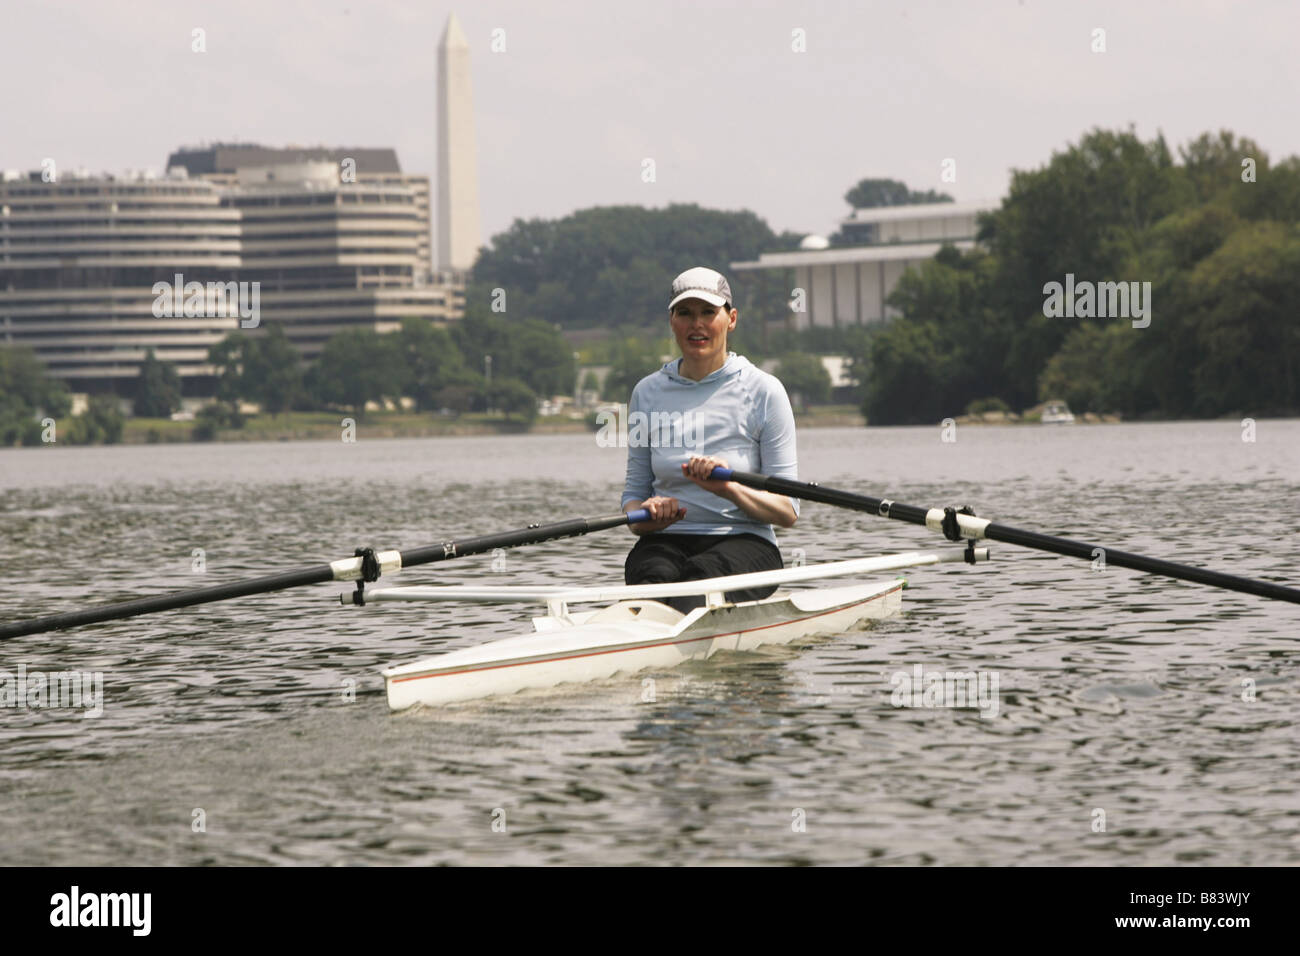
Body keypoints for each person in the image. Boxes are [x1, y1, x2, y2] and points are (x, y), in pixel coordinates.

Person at [620, 266, 800, 612]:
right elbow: (633, 498)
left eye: (708, 312)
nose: (696, 324)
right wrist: (646, 514)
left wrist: (727, 488)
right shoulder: (646, 392)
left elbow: (788, 510)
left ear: (731, 319)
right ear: (672, 322)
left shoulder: (765, 391)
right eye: (684, 313)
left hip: (745, 543)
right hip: (664, 544)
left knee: (696, 585)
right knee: (651, 585)